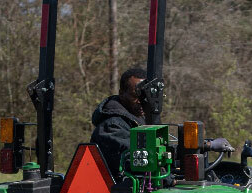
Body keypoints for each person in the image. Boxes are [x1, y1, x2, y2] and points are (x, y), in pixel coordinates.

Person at [90, 65, 233, 176]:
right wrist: (170, 179)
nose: (142, 101)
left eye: (145, 96)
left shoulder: (139, 119)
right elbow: (139, 158)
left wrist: (204, 145)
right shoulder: (111, 126)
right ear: (121, 93)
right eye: (136, 96)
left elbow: (162, 150)